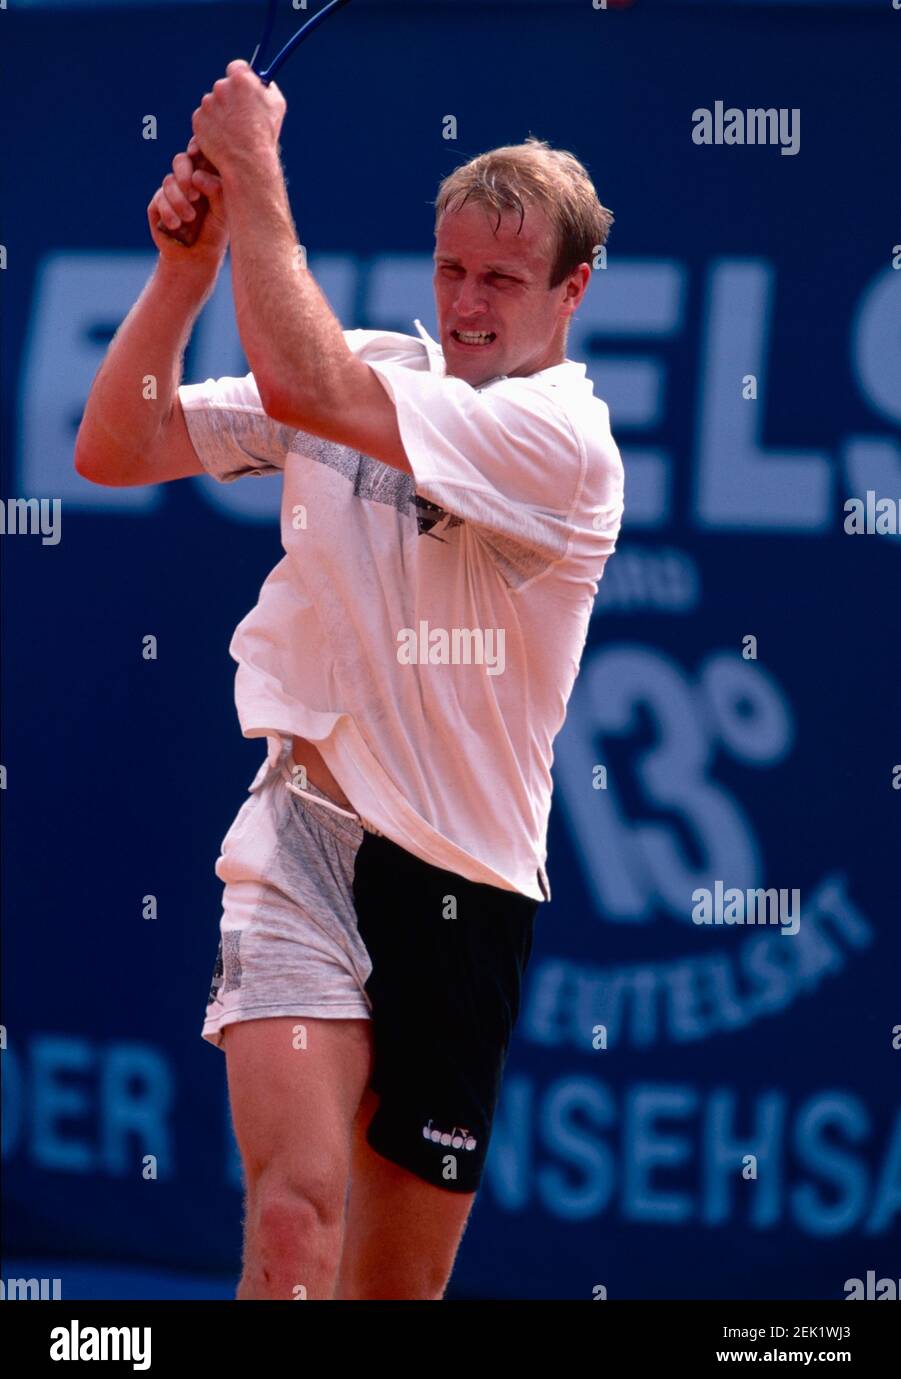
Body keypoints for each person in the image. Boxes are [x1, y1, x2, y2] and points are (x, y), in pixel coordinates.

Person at [75, 60, 623, 1300]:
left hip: (465, 893)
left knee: (389, 1291)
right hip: (303, 843)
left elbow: (306, 382)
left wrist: (258, 172)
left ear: (571, 291)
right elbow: (118, 442)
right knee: (291, 1225)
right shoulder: (377, 369)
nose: (469, 303)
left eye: (503, 278)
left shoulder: (567, 445)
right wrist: (183, 276)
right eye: (450, 268)